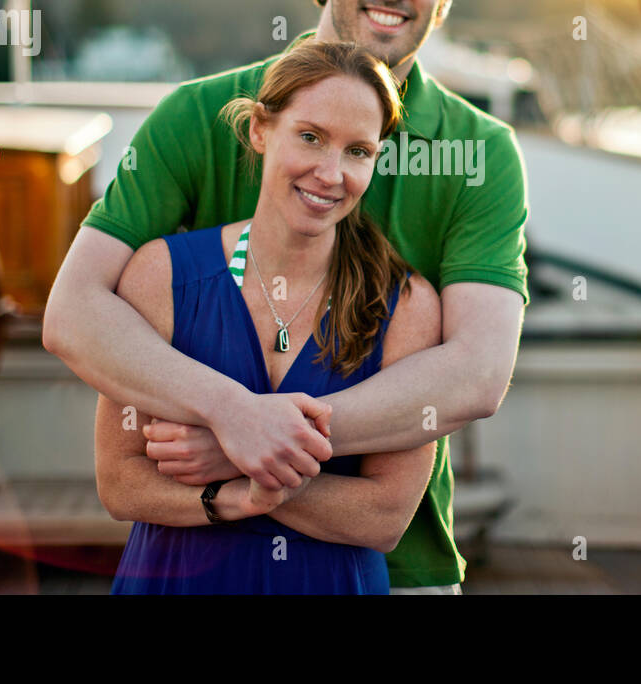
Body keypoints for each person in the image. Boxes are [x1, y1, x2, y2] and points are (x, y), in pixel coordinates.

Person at [45, 0, 529, 593]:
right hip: (196, 552)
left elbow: (476, 373)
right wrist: (231, 414)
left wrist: (259, 444)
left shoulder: (483, 154)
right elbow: (75, 312)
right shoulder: (196, 116)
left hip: (396, 565)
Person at [99, 39, 439, 593]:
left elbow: (384, 517)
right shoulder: (159, 275)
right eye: (311, 137)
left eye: (358, 151)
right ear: (260, 129)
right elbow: (120, 483)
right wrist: (239, 494)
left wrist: (235, 452)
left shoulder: (406, 305)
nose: (332, 174)